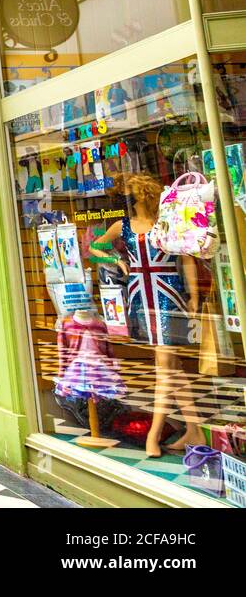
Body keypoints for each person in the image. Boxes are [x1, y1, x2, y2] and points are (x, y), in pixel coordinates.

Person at [88, 171, 202, 457]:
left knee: (164, 367)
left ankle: (153, 434)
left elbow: (186, 257)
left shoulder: (165, 223)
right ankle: (195, 428)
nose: (127, 199)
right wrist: (117, 259)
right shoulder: (123, 225)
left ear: (143, 195)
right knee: (171, 367)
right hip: (141, 296)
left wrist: (195, 296)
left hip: (167, 295)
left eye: (131, 194)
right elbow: (94, 248)